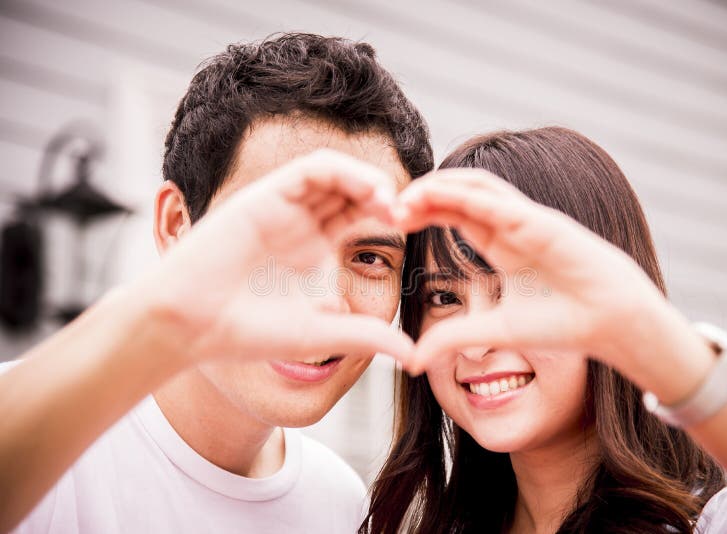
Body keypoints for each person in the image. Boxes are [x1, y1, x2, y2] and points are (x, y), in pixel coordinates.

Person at [0, 33, 432, 533]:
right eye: (280, 235)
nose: (326, 301)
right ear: (175, 226)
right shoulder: (41, 445)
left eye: (370, 256)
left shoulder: (340, 502)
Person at [364, 127, 727, 533]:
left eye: (523, 289)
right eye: (444, 298)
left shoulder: (724, 522)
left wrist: (658, 343)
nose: (476, 343)